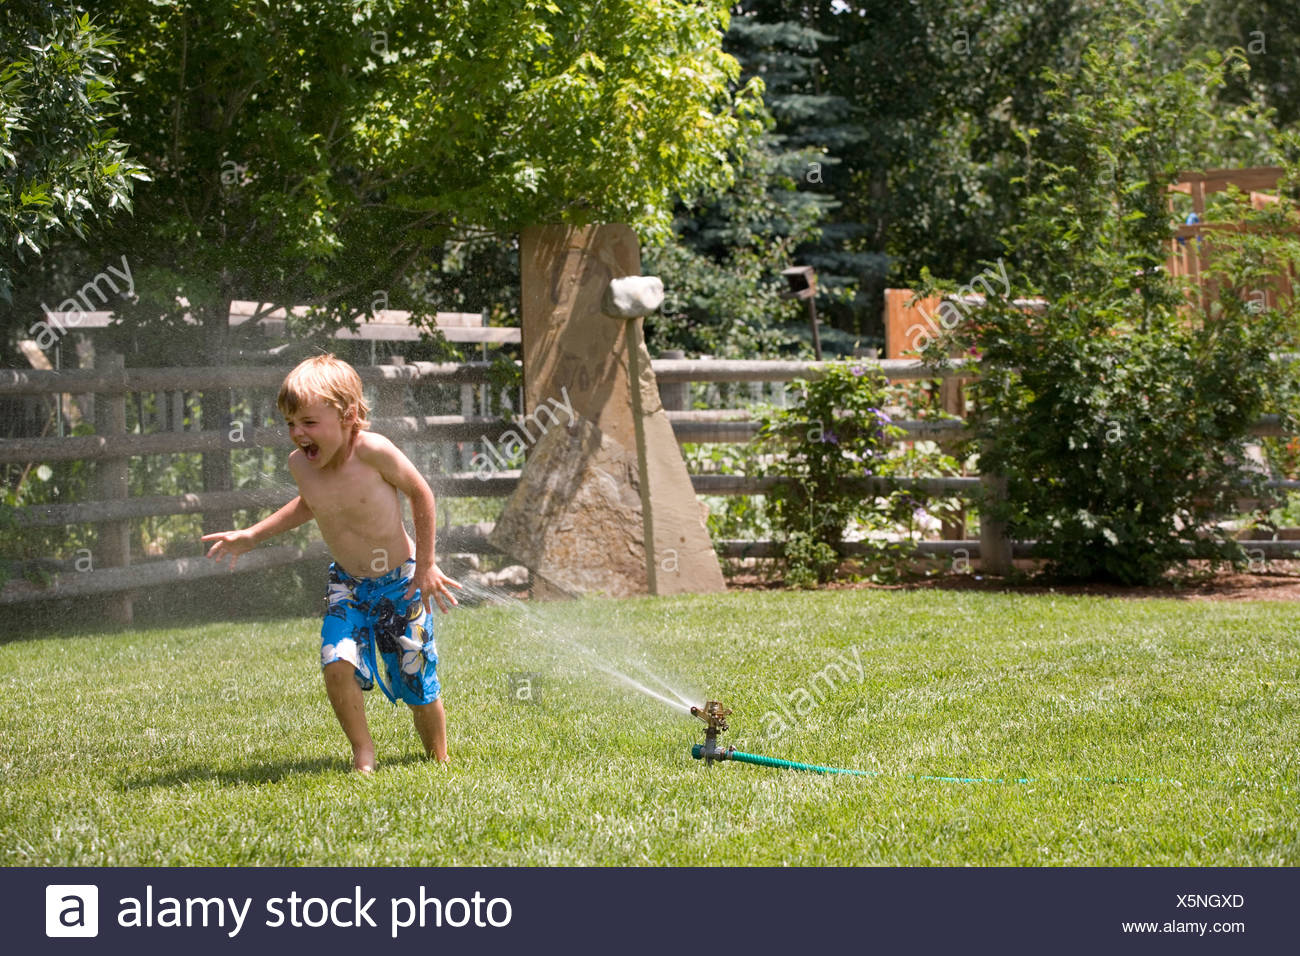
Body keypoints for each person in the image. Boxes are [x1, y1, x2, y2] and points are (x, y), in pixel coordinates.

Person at [202, 354, 462, 772]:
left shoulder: (374, 452)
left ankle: (440, 758)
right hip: (348, 586)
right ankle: (363, 753)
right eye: (290, 424)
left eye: (308, 422)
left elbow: (420, 494)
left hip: (401, 582)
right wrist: (251, 536)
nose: (297, 434)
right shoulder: (301, 466)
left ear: (349, 416)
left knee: (416, 681)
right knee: (335, 660)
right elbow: (310, 505)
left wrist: (426, 564)